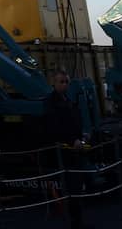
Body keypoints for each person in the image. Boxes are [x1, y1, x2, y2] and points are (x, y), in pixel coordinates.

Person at [45, 69, 87, 229]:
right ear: (54, 83)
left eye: (66, 82)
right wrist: (72, 140)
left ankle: (78, 221)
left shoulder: (68, 100)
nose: (64, 84)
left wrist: (82, 136)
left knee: (76, 188)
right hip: (65, 151)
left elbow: (75, 121)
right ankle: (73, 222)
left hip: (75, 148)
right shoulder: (51, 103)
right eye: (61, 81)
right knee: (71, 188)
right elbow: (54, 126)